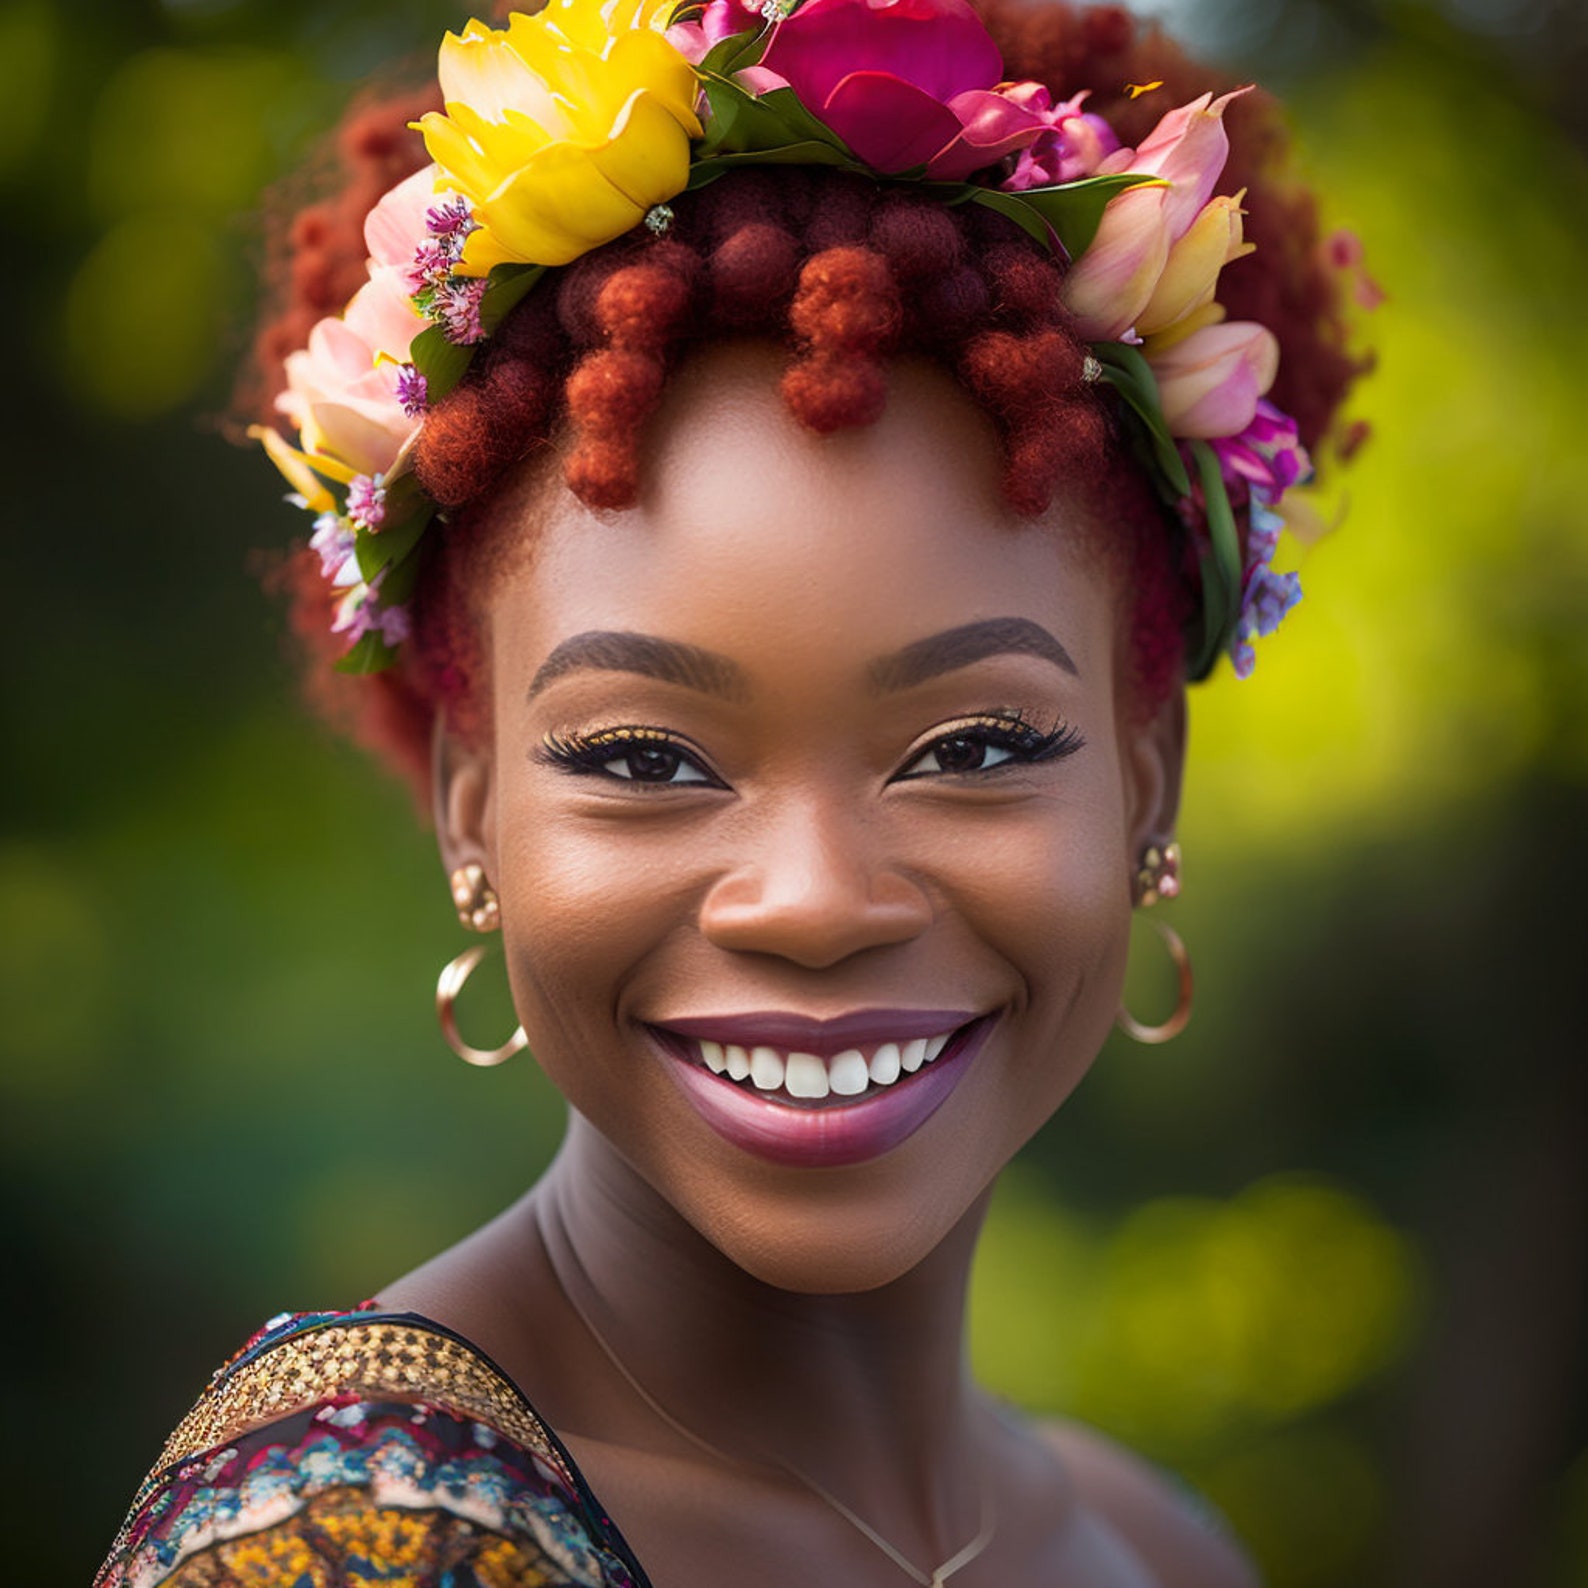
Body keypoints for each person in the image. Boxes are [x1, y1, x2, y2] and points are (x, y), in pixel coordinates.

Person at [98, 0, 1367, 1582]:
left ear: (1146, 791)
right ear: (469, 815)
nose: (817, 900)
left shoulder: (1155, 1547)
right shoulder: (358, 1536)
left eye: (976, 747)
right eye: (644, 759)